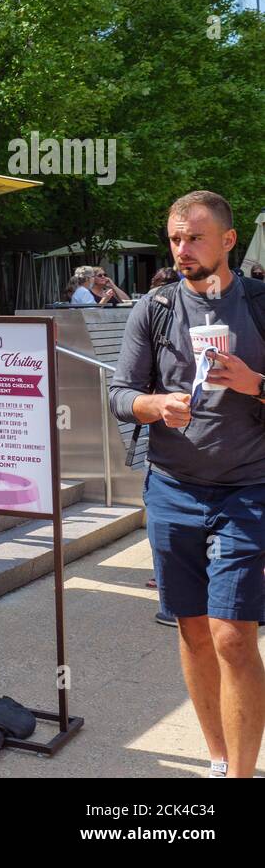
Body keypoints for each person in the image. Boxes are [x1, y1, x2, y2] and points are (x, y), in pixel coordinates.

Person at [109, 190, 265, 778]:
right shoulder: (154, 309)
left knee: (231, 636)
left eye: (195, 237)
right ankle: (220, 757)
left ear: (228, 240)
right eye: (175, 238)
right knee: (195, 631)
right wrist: (153, 404)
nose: (182, 249)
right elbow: (121, 394)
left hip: (249, 490)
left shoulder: (260, 304)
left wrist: (256, 383)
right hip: (173, 488)